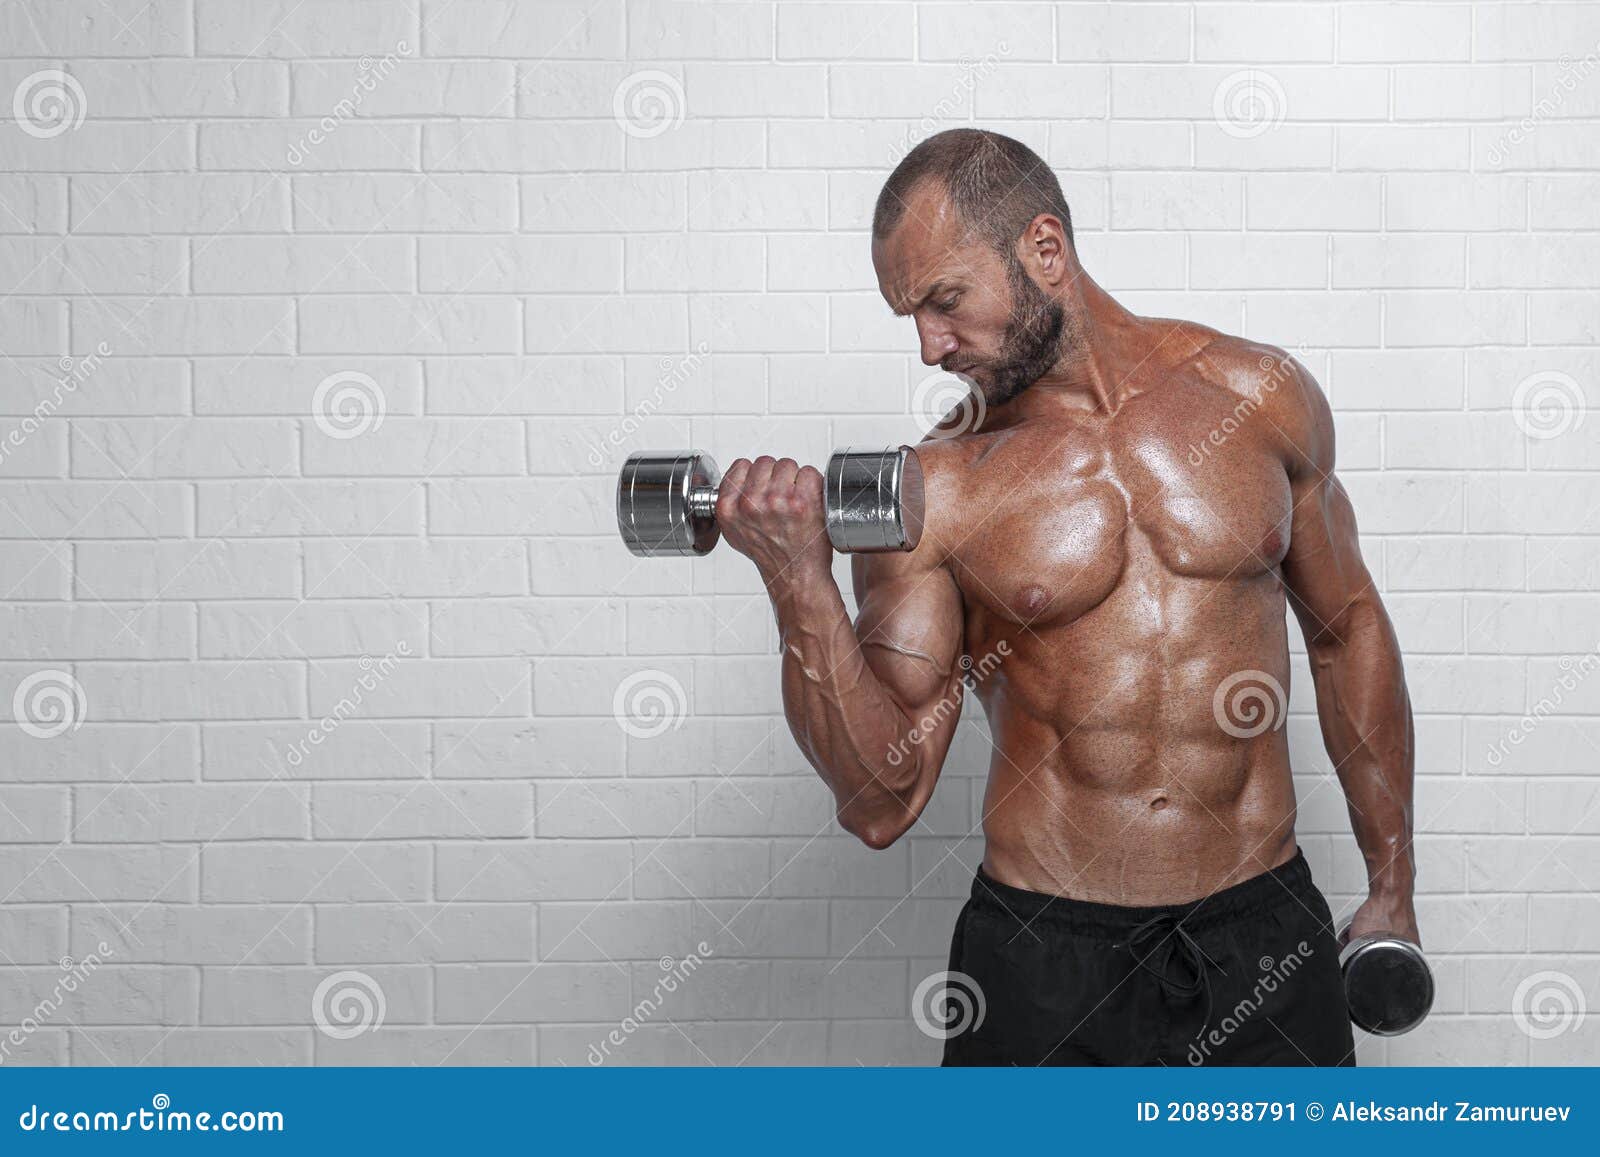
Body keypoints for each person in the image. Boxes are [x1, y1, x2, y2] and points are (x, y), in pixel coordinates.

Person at [713, 129, 1417, 1066]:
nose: (929, 347)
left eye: (944, 301)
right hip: (1046, 962)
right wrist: (797, 579)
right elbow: (882, 799)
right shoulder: (941, 487)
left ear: (1045, 249)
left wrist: (1392, 882)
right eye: (910, 316)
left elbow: (1346, 629)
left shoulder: (1260, 397)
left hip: (1263, 934)